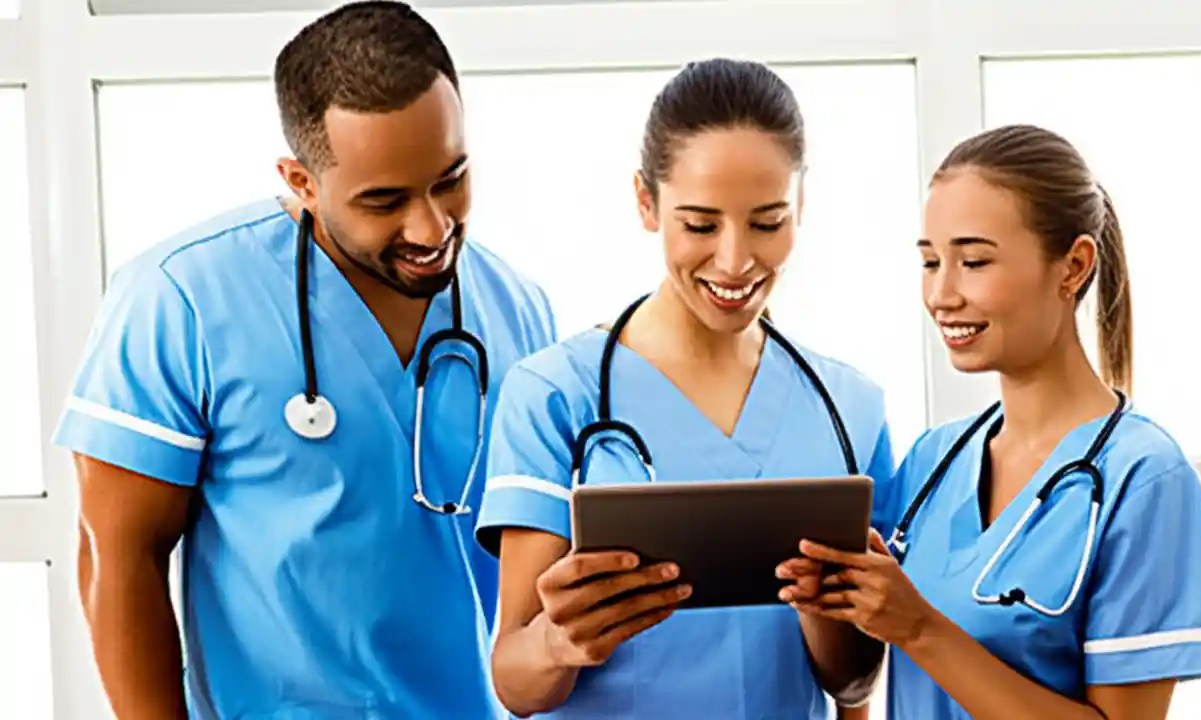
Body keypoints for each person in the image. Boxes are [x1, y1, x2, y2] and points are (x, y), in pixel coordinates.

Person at [52, 2, 556, 718]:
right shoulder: (181, 299)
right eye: (384, 201)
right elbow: (118, 552)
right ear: (301, 179)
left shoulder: (518, 308)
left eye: (450, 179)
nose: (431, 226)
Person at [471, 58, 894, 719]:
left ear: (801, 204)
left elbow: (855, 687)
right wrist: (559, 643)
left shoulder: (851, 408)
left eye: (767, 221)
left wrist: (823, 611)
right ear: (647, 201)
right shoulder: (555, 396)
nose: (734, 259)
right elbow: (515, 683)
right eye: (699, 225)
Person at [783, 124, 1201, 719]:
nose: (942, 293)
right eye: (931, 261)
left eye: (973, 261)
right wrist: (823, 604)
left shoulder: (1143, 479)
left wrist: (921, 630)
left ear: (1073, 266)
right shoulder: (932, 461)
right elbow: (855, 684)